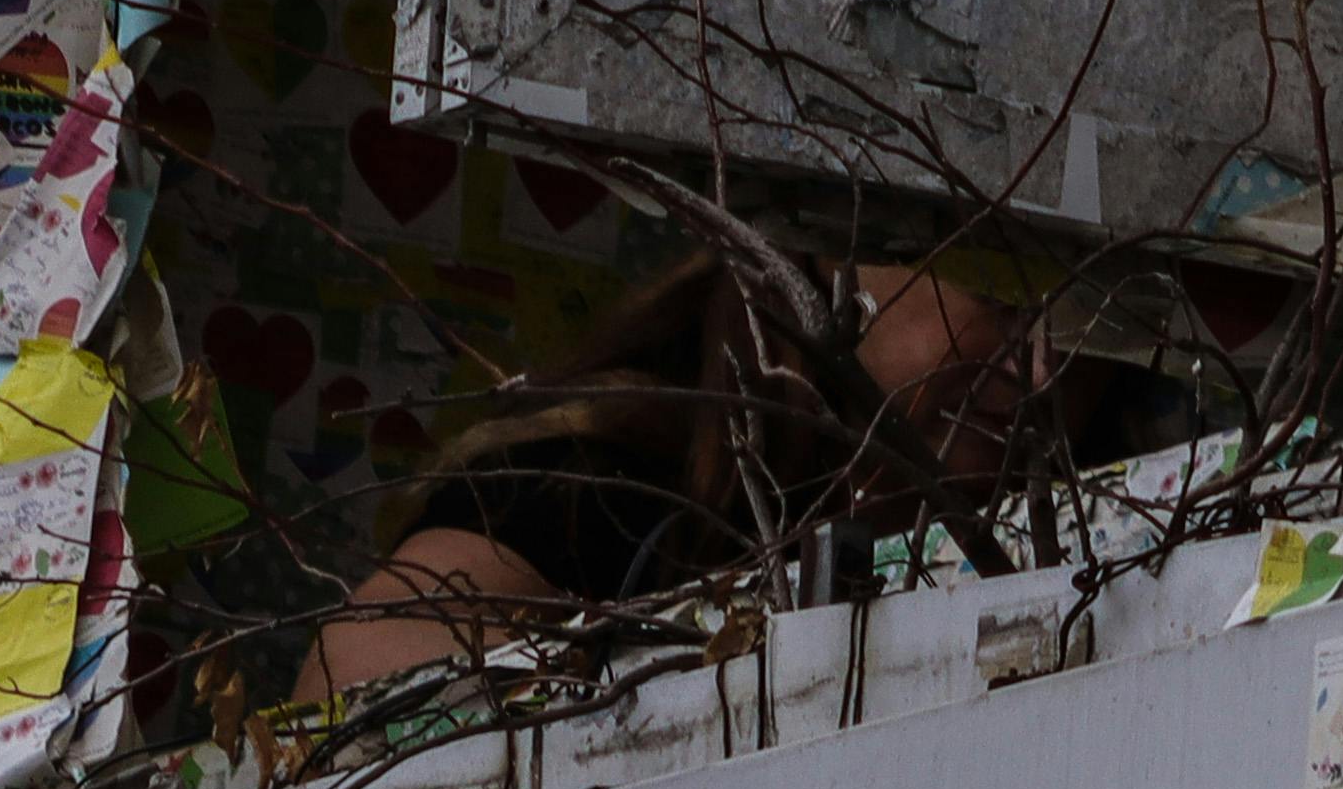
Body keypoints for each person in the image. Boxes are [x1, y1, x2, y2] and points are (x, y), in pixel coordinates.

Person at [294, 255, 1057, 704]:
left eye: (1091, 342)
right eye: (1004, 303)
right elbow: (358, 677)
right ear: (841, 253)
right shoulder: (619, 481)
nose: (1044, 369)